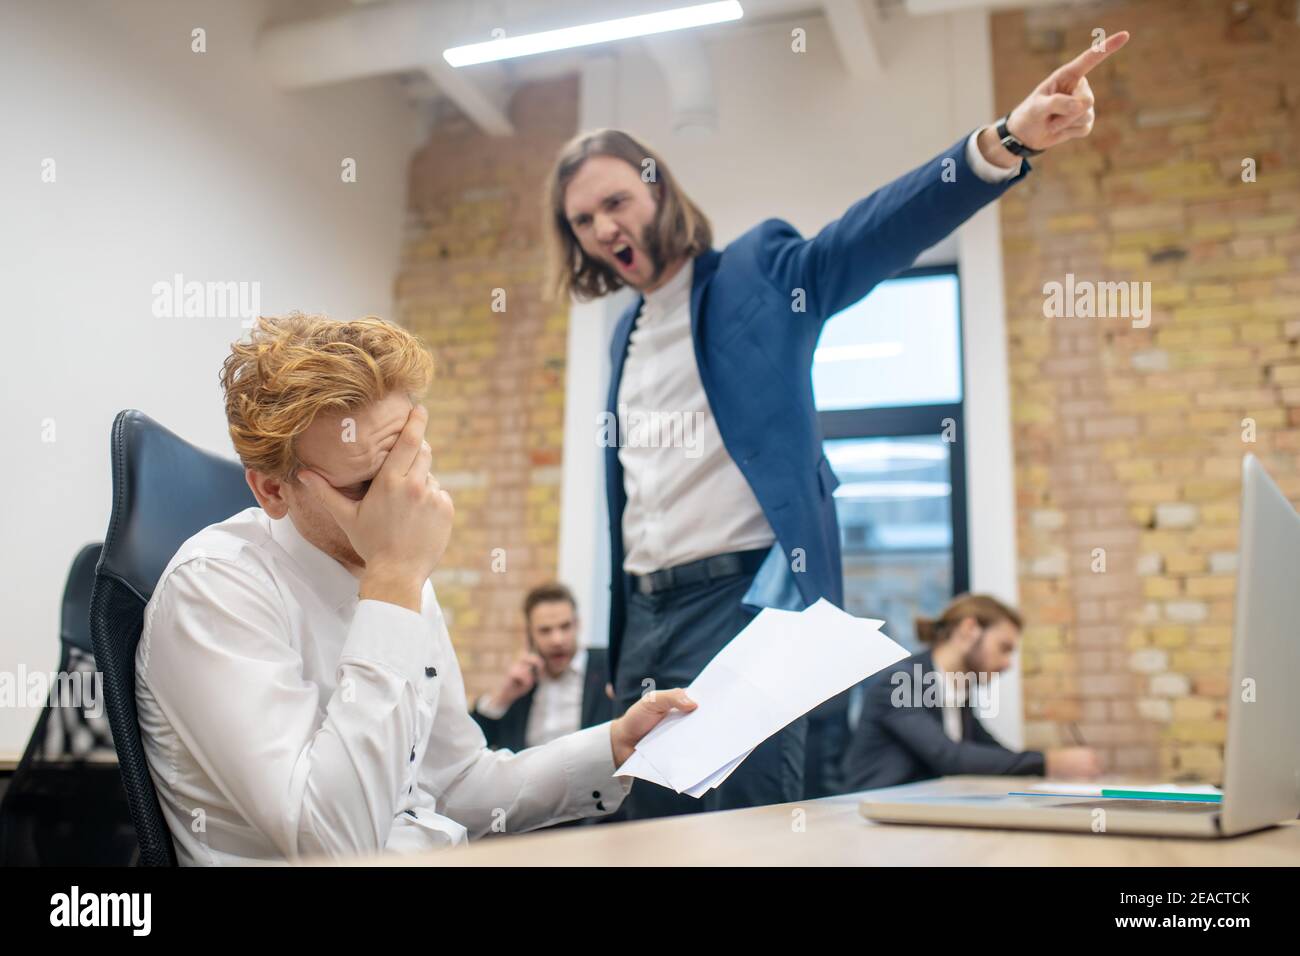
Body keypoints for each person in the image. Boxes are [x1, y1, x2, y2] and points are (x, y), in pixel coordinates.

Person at [547, 33, 1129, 817]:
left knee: (746, 834)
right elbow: (634, 501)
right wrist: (625, 644)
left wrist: (1008, 139)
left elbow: (870, 233)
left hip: (744, 605)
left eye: (616, 201)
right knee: (648, 831)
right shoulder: (622, 334)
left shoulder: (758, 271)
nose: (603, 228)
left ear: (660, 193)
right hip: (648, 617)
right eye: (582, 220)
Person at [135, 314, 694, 865]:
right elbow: (332, 844)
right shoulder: (215, 589)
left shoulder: (397, 581)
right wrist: (395, 579)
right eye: (368, 484)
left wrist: (614, 746)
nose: (406, 499)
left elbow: (455, 787)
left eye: (410, 464)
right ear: (273, 490)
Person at [840, 594, 1101, 792]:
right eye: (1004, 648)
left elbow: (991, 753)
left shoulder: (957, 690)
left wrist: (1044, 765)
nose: (1008, 663)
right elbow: (950, 758)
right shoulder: (901, 682)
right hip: (876, 820)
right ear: (968, 631)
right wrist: (1049, 762)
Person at [471, 582, 612, 751]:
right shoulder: (523, 685)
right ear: (530, 634)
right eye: (545, 630)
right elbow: (474, 742)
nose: (557, 640)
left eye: (565, 627)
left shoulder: (608, 668)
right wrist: (504, 696)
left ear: (577, 624)